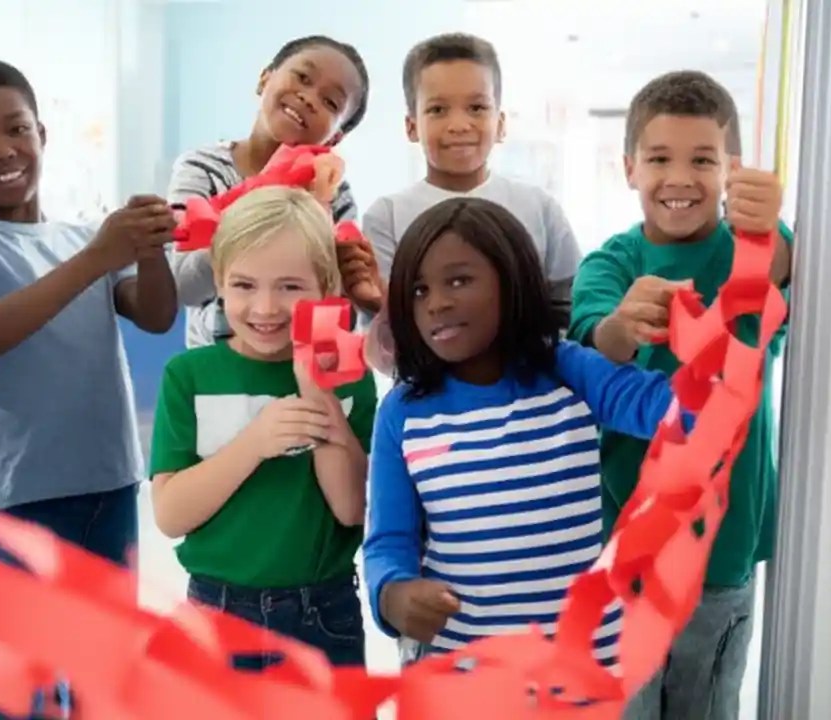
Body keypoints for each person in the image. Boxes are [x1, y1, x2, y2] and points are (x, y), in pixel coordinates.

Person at [0, 58, 175, 719]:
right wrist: (99, 254)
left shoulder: (76, 236)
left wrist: (147, 249)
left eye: (15, 130)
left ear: (42, 133)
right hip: (24, 494)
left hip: (110, 482)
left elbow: (154, 315)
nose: (1, 151)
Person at [362, 197, 685, 668]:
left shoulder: (568, 369)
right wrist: (392, 594)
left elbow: (677, 416)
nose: (437, 303)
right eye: (417, 291)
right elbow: (388, 540)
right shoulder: (403, 414)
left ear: (510, 281)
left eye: (458, 280)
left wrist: (699, 336)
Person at [568, 70, 792, 720]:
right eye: (660, 159)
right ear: (629, 168)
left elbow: (783, 265)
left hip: (723, 550)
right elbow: (592, 340)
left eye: (703, 161)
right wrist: (621, 327)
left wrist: (767, 225)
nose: (679, 178)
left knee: (706, 705)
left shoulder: (757, 250)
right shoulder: (611, 263)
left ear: (732, 170)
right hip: (625, 547)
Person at [150, 186, 375, 668]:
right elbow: (170, 515)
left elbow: (351, 508)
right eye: (245, 285)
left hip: (323, 611)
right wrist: (253, 443)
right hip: (218, 613)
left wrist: (318, 395)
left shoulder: (352, 375)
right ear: (219, 282)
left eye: (291, 287)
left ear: (326, 289)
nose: (266, 307)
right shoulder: (188, 376)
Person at [167, 34, 379, 348]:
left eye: (330, 102)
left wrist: (318, 209)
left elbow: (340, 307)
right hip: (216, 374)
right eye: (303, 78)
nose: (309, 98)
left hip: (297, 373)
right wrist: (266, 192)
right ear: (265, 78)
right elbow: (184, 286)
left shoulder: (334, 193)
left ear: (336, 138)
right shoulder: (202, 168)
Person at [361, 33, 582, 329]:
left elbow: (573, 307)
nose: (459, 125)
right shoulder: (386, 216)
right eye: (437, 110)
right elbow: (382, 331)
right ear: (412, 126)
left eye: (476, 108)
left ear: (500, 123)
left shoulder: (539, 208)